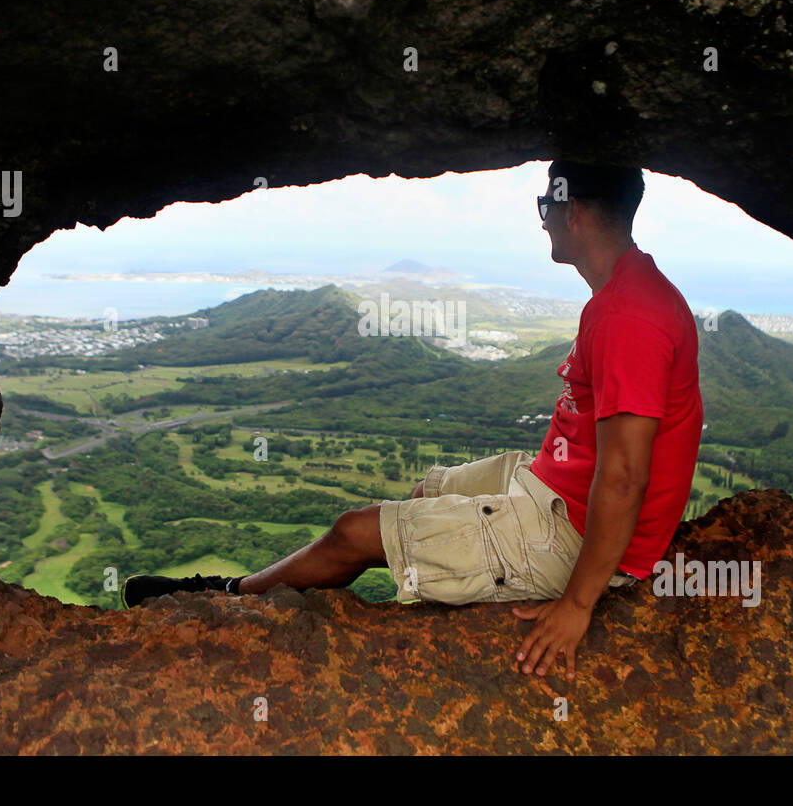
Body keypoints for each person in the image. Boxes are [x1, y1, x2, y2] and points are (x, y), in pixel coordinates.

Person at [123, 161, 704, 680]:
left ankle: (229, 597)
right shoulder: (628, 291)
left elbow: (625, 476)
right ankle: (432, 551)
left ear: (571, 210)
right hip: (554, 489)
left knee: (353, 532)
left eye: (543, 206)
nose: (541, 221)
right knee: (426, 490)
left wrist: (578, 606)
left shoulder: (630, 315)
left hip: (566, 533)